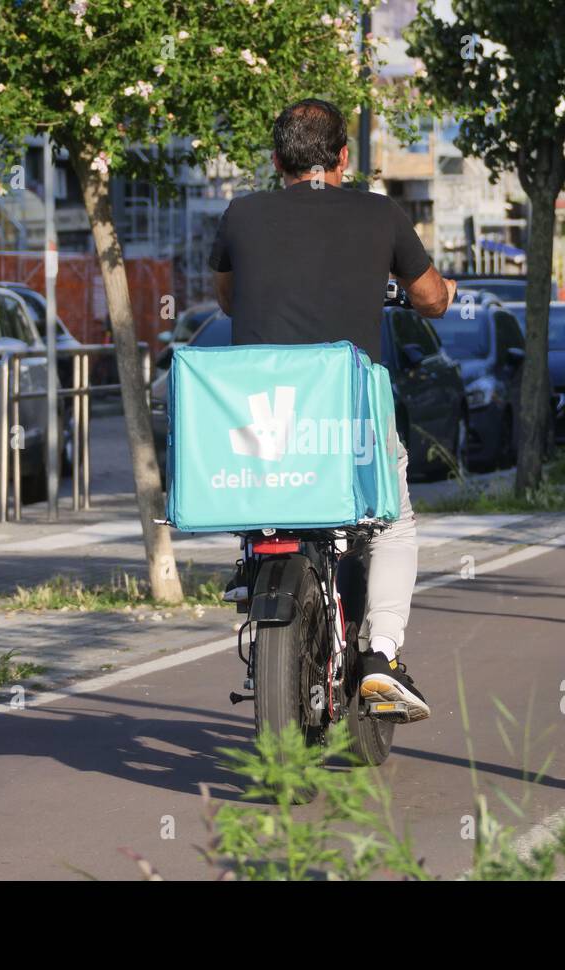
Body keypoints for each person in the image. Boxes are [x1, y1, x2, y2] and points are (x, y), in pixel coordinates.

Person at [207, 99, 456, 723]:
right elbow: (430, 299)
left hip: (261, 418)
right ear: (344, 157)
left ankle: (258, 570)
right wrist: (445, 290)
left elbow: (229, 296)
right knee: (393, 520)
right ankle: (382, 654)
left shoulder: (241, 213)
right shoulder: (381, 214)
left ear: (276, 160)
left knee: (269, 507)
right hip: (345, 418)